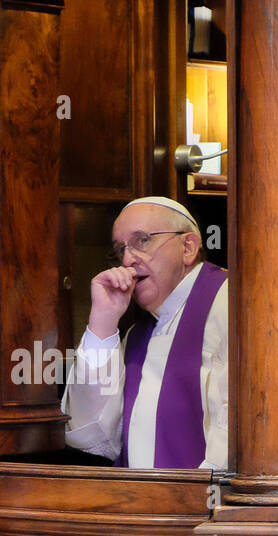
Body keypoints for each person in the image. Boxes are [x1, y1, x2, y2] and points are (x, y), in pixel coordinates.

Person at [61, 196, 228, 469]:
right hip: (142, 506)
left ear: (188, 247)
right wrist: (103, 322)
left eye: (143, 240)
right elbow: (94, 437)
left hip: (202, 508)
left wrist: (194, 505)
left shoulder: (233, 306)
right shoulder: (139, 335)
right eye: (120, 249)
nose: (127, 259)